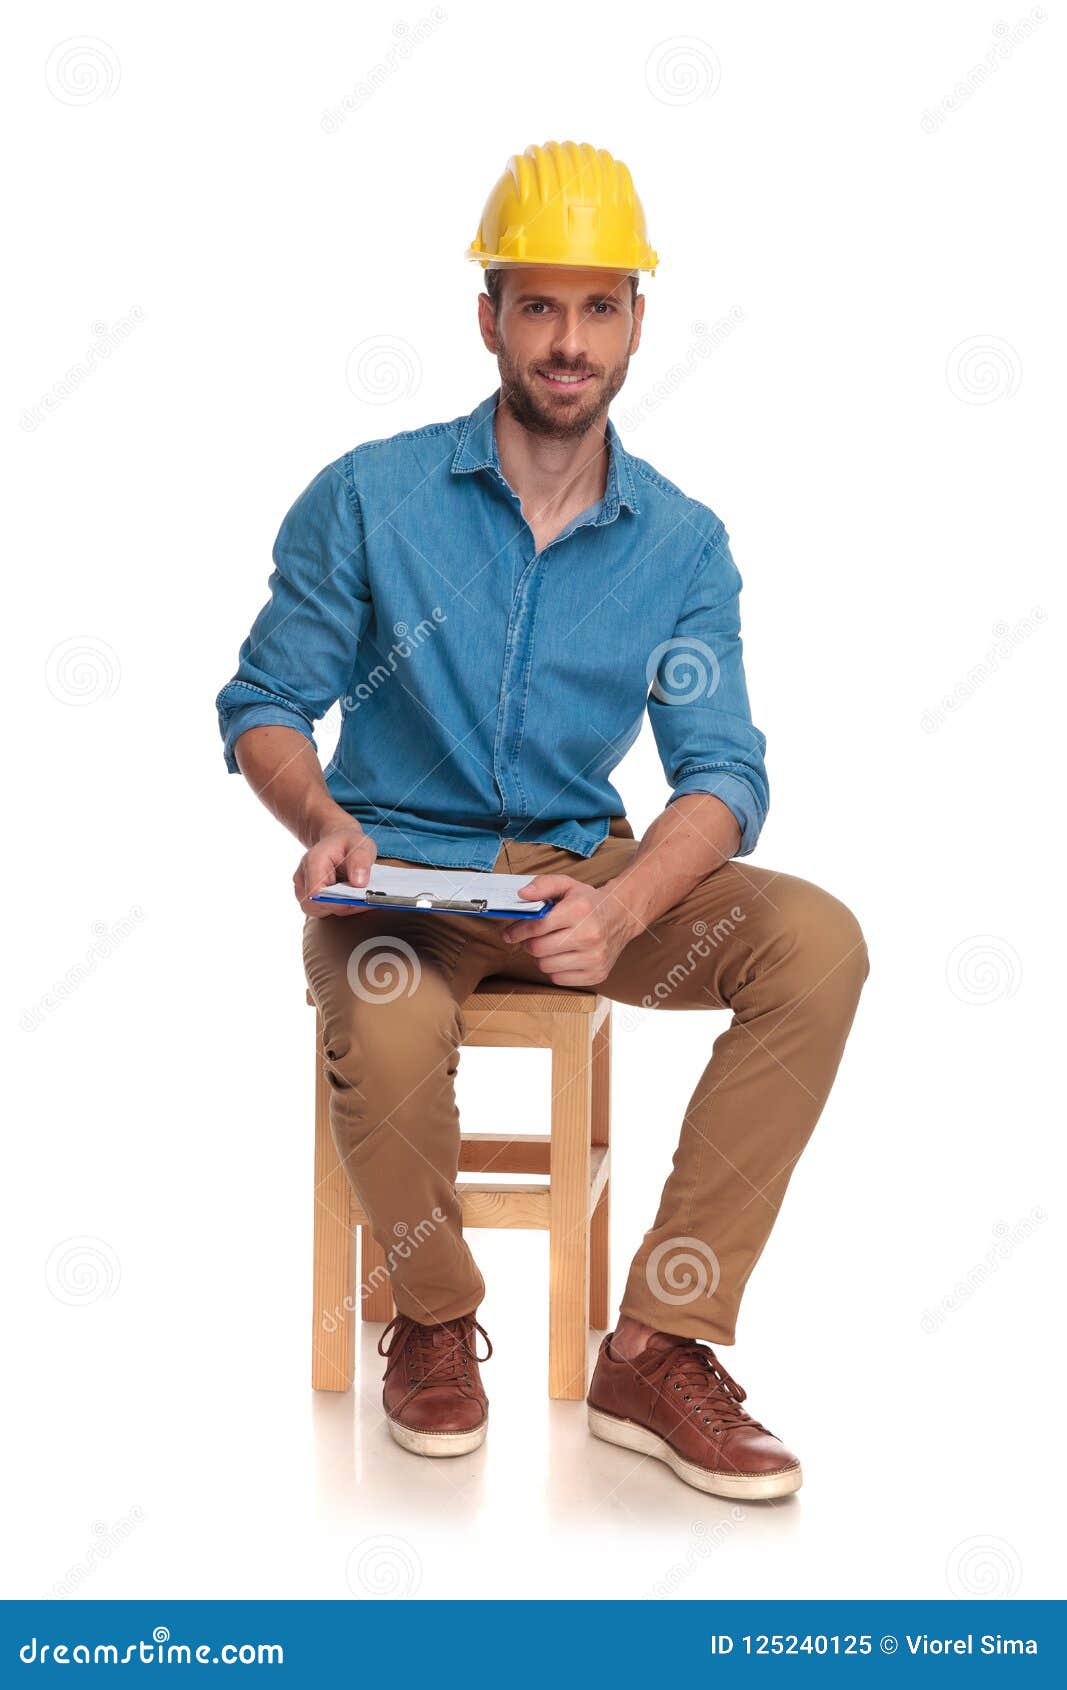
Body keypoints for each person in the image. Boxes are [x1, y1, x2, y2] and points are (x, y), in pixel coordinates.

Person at [215, 141, 869, 1499]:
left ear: (636, 318)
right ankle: (435, 1317)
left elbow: (723, 775)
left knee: (817, 942)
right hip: (397, 876)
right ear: (489, 317)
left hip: (584, 880)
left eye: (600, 307)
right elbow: (265, 702)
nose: (569, 343)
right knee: (386, 996)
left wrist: (624, 909)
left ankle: (660, 1343)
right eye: (539, 307)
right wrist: (321, 821)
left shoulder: (682, 543)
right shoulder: (368, 498)